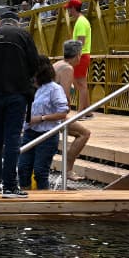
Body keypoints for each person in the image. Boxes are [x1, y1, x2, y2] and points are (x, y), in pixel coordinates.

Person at [0, 9, 36, 198]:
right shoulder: (23, 35)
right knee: (12, 139)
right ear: (17, 23)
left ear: (0, 23)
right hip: (16, 94)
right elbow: (34, 64)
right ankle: (10, 186)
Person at [23, 58, 70, 190]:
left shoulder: (54, 89)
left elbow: (63, 112)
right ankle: (24, 195)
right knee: (23, 168)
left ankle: (43, 197)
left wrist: (41, 118)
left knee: (40, 171)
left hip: (47, 134)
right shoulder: (30, 88)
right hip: (29, 132)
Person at [49, 41, 92, 182]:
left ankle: (66, 169)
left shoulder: (57, 64)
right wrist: (65, 111)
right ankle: (67, 170)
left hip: (45, 109)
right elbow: (65, 96)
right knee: (84, 133)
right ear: (78, 55)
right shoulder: (67, 68)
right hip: (53, 113)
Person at [62, 0, 92, 89]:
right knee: (80, 84)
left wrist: (74, 58)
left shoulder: (80, 22)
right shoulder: (82, 21)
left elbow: (81, 42)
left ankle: (83, 100)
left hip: (80, 56)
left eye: (69, 8)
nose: (68, 11)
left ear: (73, 8)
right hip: (81, 56)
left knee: (80, 84)